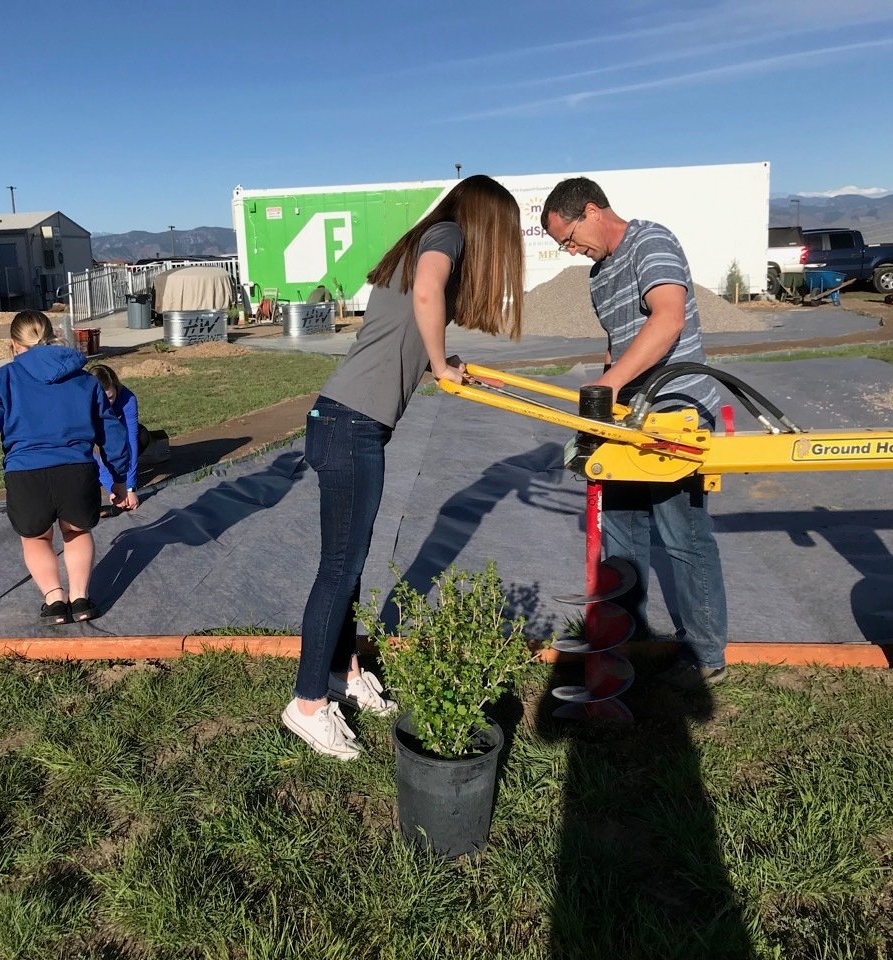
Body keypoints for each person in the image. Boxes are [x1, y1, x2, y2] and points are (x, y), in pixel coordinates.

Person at [284, 174, 526, 759]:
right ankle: (307, 703)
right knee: (339, 568)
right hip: (349, 425)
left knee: (350, 564)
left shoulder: (426, 237)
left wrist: (440, 360)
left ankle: (343, 672)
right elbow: (426, 294)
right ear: (486, 219)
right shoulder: (446, 235)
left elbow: (404, 333)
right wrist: (440, 363)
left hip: (349, 423)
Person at [541, 177, 727, 689]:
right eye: (563, 246)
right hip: (632, 421)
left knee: (681, 534)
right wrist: (602, 416)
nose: (571, 250)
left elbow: (666, 321)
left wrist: (607, 384)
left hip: (676, 412)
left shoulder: (652, 241)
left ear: (592, 210)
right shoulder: (599, 276)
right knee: (620, 535)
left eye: (570, 238)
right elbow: (616, 343)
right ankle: (626, 636)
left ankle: (705, 653)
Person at [0, 310, 131, 625]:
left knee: (36, 539)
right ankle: (81, 598)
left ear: (14, 345)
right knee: (76, 531)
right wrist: (118, 480)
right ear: (52, 337)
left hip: (25, 475)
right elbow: (111, 432)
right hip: (77, 472)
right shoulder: (85, 380)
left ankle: (55, 600)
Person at [90, 363, 148, 512]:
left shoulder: (128, 399)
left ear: (116, 387)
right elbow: (92, 450)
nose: (107, 404)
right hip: (91, 445)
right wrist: (112, 487)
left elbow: (131, 442)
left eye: (110, 397)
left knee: (142, 437)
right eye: (102, 400)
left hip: (117, 439)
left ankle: (120, 473)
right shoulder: (85, 404)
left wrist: (129, 488)